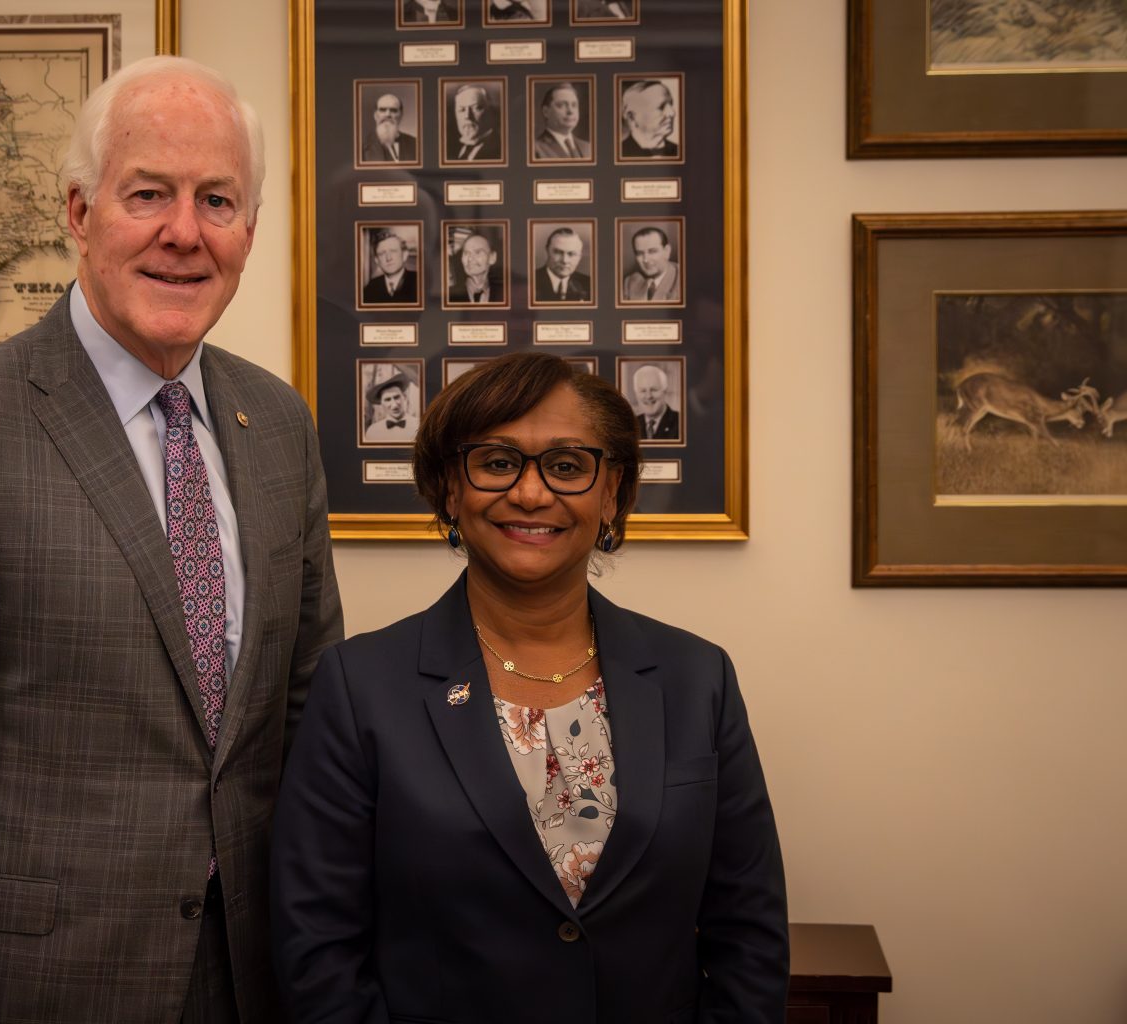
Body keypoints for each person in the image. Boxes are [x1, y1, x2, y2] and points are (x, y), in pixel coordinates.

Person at [0, 55, 344, 1024]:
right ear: (78, 212)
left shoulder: (276, 426)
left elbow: (312, 719)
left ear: (250, 229)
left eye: (218, 200)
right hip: (37, 987)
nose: (184, 233)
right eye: (148, 193)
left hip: (255, 976)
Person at [271, 352, 788, 1022]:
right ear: (451, 490)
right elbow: (316, 948)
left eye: (568, 466)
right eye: (496, 462)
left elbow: (749, 929)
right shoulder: (360, 687)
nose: (531, 493)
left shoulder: (697, 678)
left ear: (613, 494)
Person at [620, 79, 679, 159]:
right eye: (661, 107)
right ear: (632, 118)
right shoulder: (622, 152)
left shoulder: (679, 151)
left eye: (671, 104)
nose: (672, 113)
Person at [533, 82, 592, 161]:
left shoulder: (588, 147)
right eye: (561, 105)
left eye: (574, 105)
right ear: (545, 111)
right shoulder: (535, 149)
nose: (570, 111)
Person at [623, 225, 681, 303]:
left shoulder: (683, 279)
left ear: (667, 251)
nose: (646, 260)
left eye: (652, 251)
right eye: (640, 253)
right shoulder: (630, 282)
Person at [534, 227, 593, 304]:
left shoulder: (589, 284)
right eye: (558, 252)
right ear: (547, 251)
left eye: (571, 254)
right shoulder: (529, 281)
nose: (565, 260)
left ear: (580, 256)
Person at [362, 366, 419, 443]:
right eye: (387, 399)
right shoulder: (372, 431)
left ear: (404, 397)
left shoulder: (419, 425)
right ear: (381, 403)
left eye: (396, 397)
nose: (394, 405)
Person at [361, 231, 419, 305]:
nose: (388, 258)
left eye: (393, 251)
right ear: (377, 260)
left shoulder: (420, 282)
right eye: (382, 253)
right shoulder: (370, 289)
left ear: (404, 255)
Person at [447, 231, 504, 304]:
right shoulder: (450, 296)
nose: (470, 259)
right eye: (466, 253)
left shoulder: (504, 294)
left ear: (492, 258)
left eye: (478, 252)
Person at [448, 84, 502, 162]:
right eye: (461, 110)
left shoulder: (498, 149)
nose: (467, 116)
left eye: (476, 108)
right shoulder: (455, 149)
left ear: (490, 112)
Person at [360, 92, 418, 163]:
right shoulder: (362, 146)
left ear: (401, 115)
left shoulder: (415, 144)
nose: (388, 115)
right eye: (383, 110)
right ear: (375, 115)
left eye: (393, 110)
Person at [631, 362, 680, 440]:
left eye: (654, 390)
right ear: (636, 394)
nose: (648, 396)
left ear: (665, 390)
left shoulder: (681, 423)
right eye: (643, 391)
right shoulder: (630, 425)